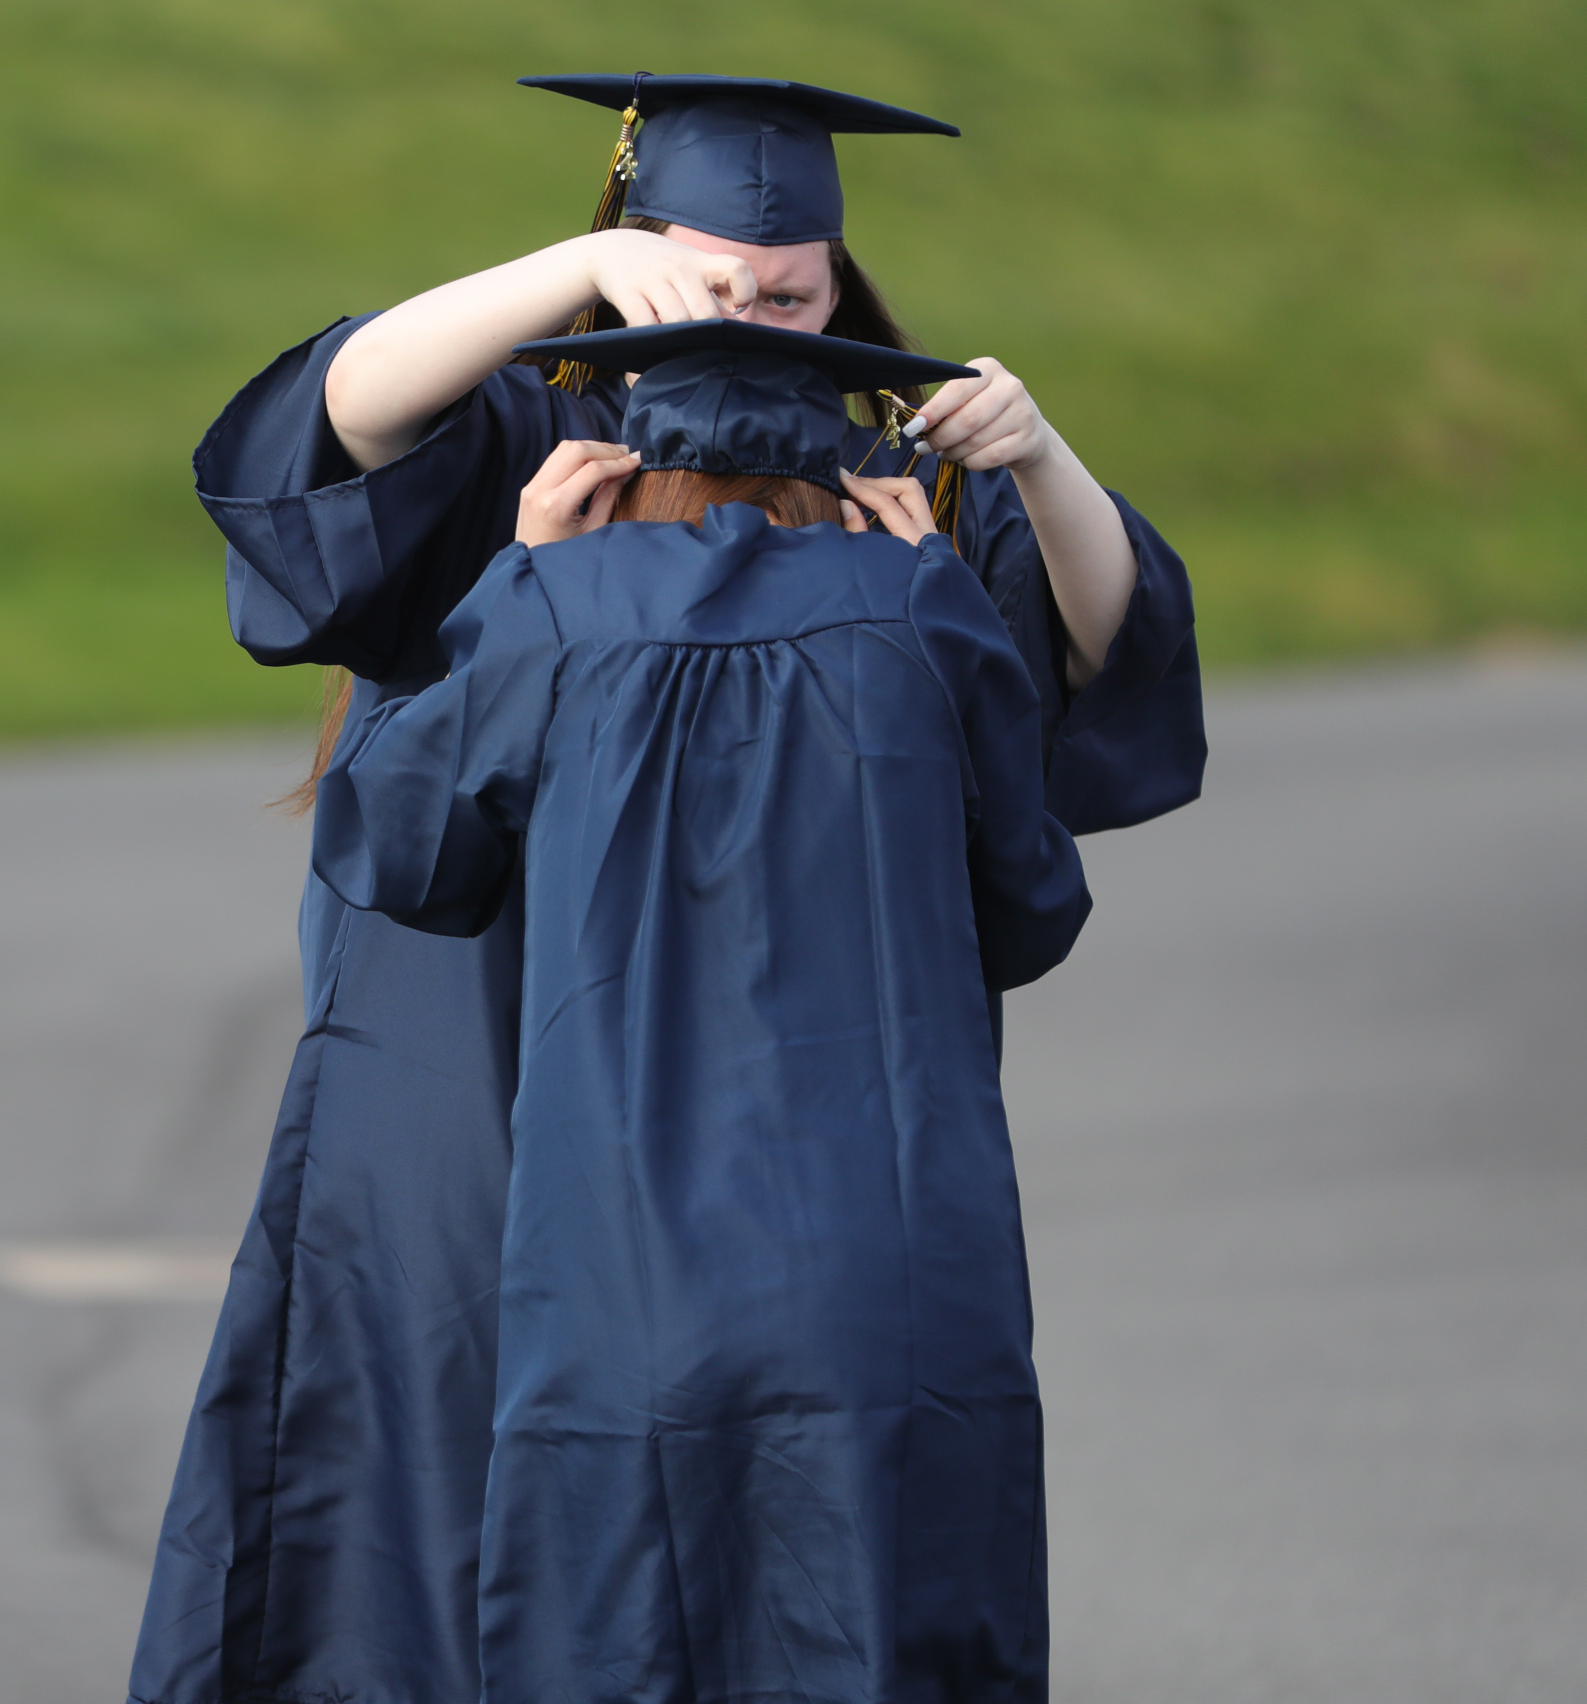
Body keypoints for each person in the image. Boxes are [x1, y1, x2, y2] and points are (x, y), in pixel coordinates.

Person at [131, 75, 1202, 1704]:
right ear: (625, 249)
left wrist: (1043, 465)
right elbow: (318, 433)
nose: (753, 308)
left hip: (789, 1082)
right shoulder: (524, 434)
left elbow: (1094, 691)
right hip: (471, 1056)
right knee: (440, 1504)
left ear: (837, 280)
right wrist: (552, 291)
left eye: (789, 285)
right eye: (704, 272)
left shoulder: (886, 488)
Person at [313, 315, 1086, 1701]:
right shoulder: (918, 608)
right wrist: (934, 591)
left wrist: (522, 578)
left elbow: (397, 853)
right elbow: (1030, 911)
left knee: (621, 1622)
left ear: (620, 459)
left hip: (621, 1252)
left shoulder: (552, 610)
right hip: (892, 1249)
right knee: (890, 1612)